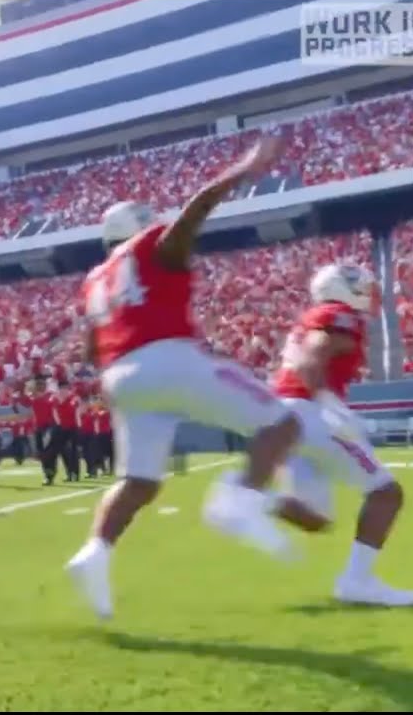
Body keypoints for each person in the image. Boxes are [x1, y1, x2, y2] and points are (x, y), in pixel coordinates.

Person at [66, 137, 302, 620]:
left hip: (121, 377)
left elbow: (91, 348)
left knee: (140, 482)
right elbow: (196, 210)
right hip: (167, 358)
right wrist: (243, 170)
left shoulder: (93, 280)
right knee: (284, 423)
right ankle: (239, 501)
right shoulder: (150, 246)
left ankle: (95, 552)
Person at [269, 264, 413, 606]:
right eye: (354, 282)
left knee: (315, 518)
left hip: (286, 414)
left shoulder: (317, 315)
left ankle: (254, 498)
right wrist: (329, 403)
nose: (363, 288)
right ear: (337, 287)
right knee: (386, 493)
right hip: (309, 412)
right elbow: (312, 358)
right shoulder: (338, 314)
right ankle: (356, 581)